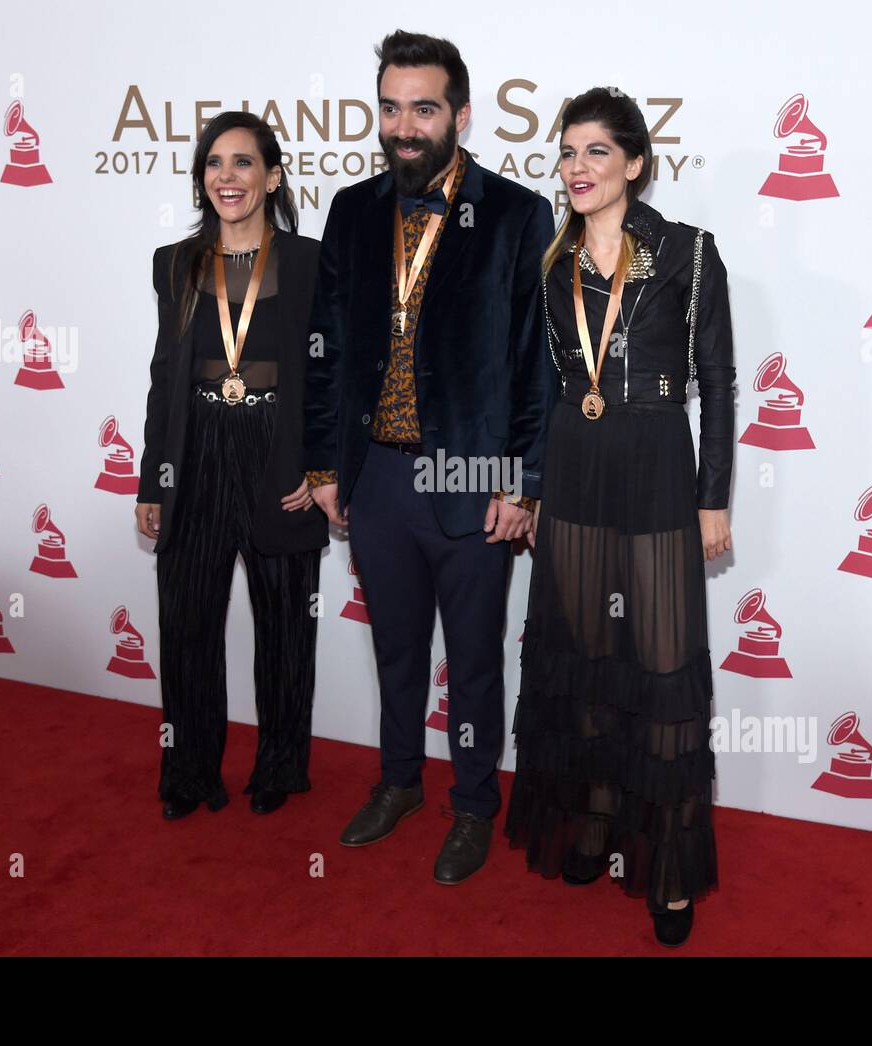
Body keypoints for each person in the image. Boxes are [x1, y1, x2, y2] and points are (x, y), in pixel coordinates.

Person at [302, 30, 556, 883]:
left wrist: (522, 482)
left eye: (423, 109)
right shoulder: (353, 209)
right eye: (390, 108)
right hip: (377, 473)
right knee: (397, 650)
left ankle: (475, 805)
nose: (404, 127)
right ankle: (399, 782)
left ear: (461, 115)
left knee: (475, 659)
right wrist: (326, 466)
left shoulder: (517, 214)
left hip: (474, 477)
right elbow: (329, 350)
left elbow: (535, 364)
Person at [502, 87, 736, 946]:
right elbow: (536, 386)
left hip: (655, 462)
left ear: (635, 162)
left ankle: (668, 865)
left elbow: (718, 382)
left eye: (596, 151)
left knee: (662, 665)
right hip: (575, 461)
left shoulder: (688, 253)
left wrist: (713, 498)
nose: (578, 167)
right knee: (585, 653)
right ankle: (596, 817)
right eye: (567, 153)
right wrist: (527, 487)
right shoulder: (551, 259)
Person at [136, 111, 328, 821]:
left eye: (243, 162)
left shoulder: (310, 263)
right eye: (214, 164)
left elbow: (330, 376)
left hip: (279, 452)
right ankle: (188, 772)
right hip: (196, 452)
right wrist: (153, 478)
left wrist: (320, 468)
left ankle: (279, 764)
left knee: (285, 624)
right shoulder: (175, 263)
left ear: (272, 177)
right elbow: (165, 376)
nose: (228, 177)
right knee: (187, 622)